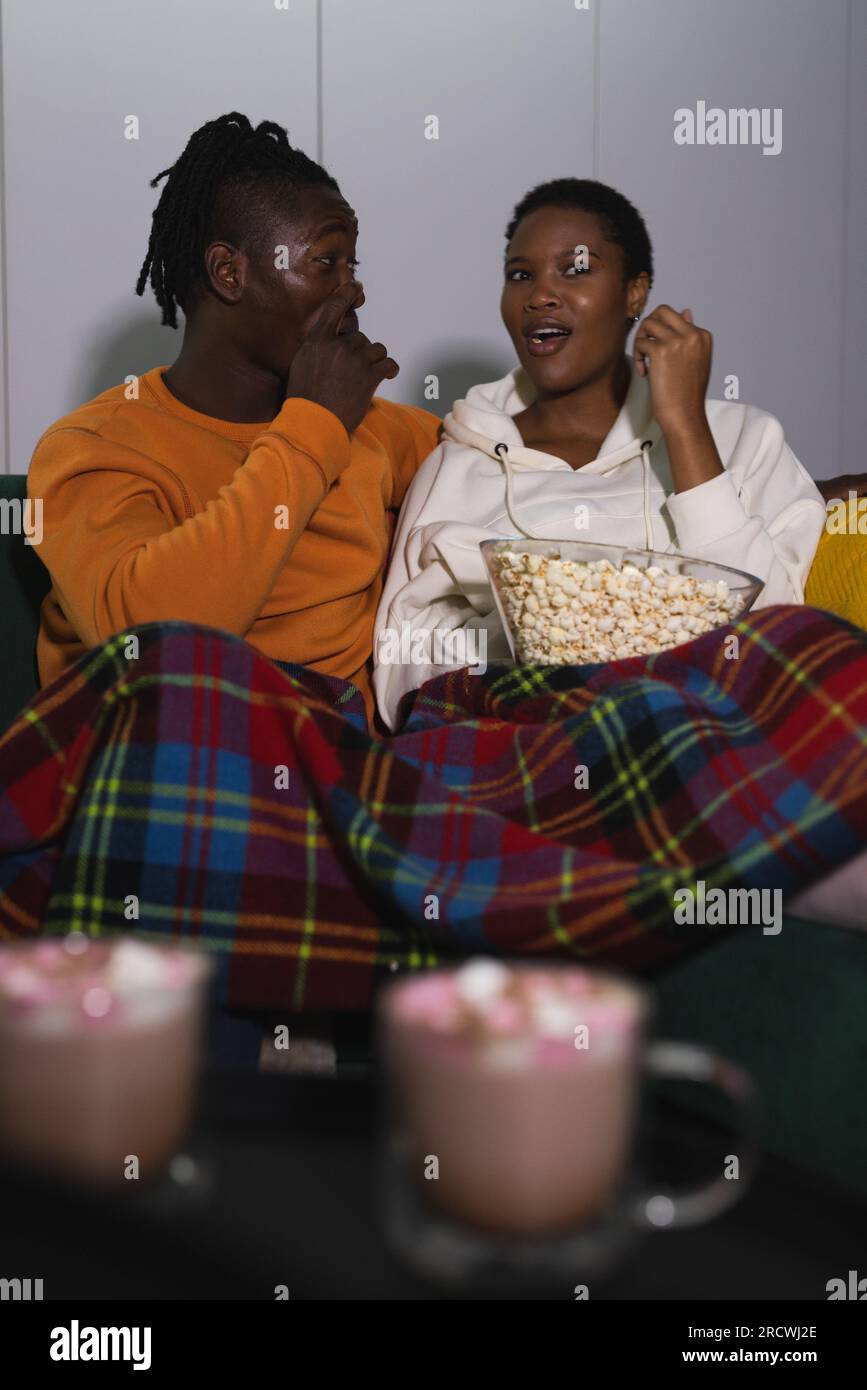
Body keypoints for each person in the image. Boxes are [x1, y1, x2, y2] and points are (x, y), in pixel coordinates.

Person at [27, 113, 442, 728]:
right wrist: (315, 426)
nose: (352, 291)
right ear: (230, 272)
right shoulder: (93, 446)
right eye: (326, 262)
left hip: (344, 757)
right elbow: (155, 643)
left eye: (353, 266)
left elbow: (516, 460)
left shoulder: (375, 428)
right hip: (182, 748)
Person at [373, 178, 827, 731]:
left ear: (635, 292)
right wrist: (527, 639)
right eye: (521, 275)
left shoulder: (742, 437)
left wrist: (684, 427)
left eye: (575, 268)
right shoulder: (457, 464)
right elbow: (401, 657)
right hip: (528, 734)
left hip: (701, 729)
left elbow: (782, 641)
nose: (540, 293)